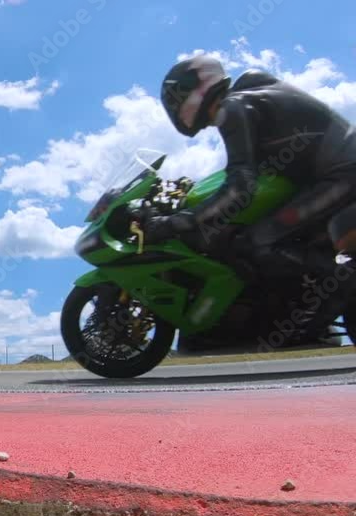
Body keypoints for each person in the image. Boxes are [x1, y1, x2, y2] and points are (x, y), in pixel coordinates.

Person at [147, 54, 356, 340]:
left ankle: (343, 284)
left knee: (258, 241)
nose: (174, 107)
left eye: (175, 98)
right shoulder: (249, 98)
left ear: (193, 89)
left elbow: (239, 189)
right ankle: (306, 315)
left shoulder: (231, 108)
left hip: (344, 175)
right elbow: (246, 175)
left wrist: (179, 222)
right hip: (335, 175)